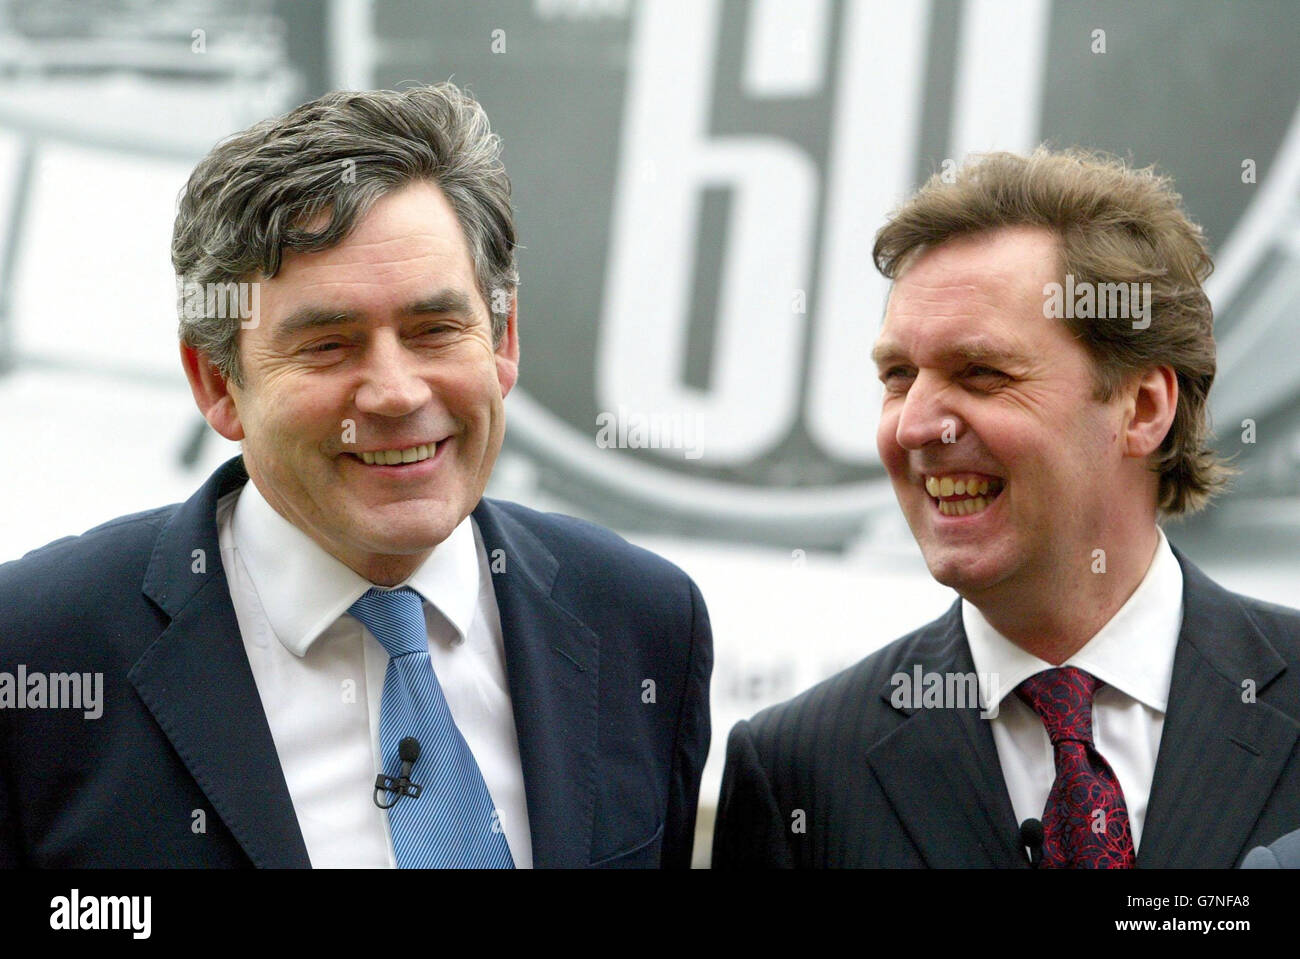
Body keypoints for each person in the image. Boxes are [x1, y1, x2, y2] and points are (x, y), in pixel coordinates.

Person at [0, 83, 712, 868]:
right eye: (328, 345)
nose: (398, 391)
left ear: (504, 340)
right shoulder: (36, 652)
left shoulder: (643, 625)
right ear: (216, 383)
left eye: (435, 329)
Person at [712, 148, 1300, 868]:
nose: (916, 425)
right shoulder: (799, 768)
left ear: (1143, 407)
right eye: (899, 377)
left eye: (982, 373)